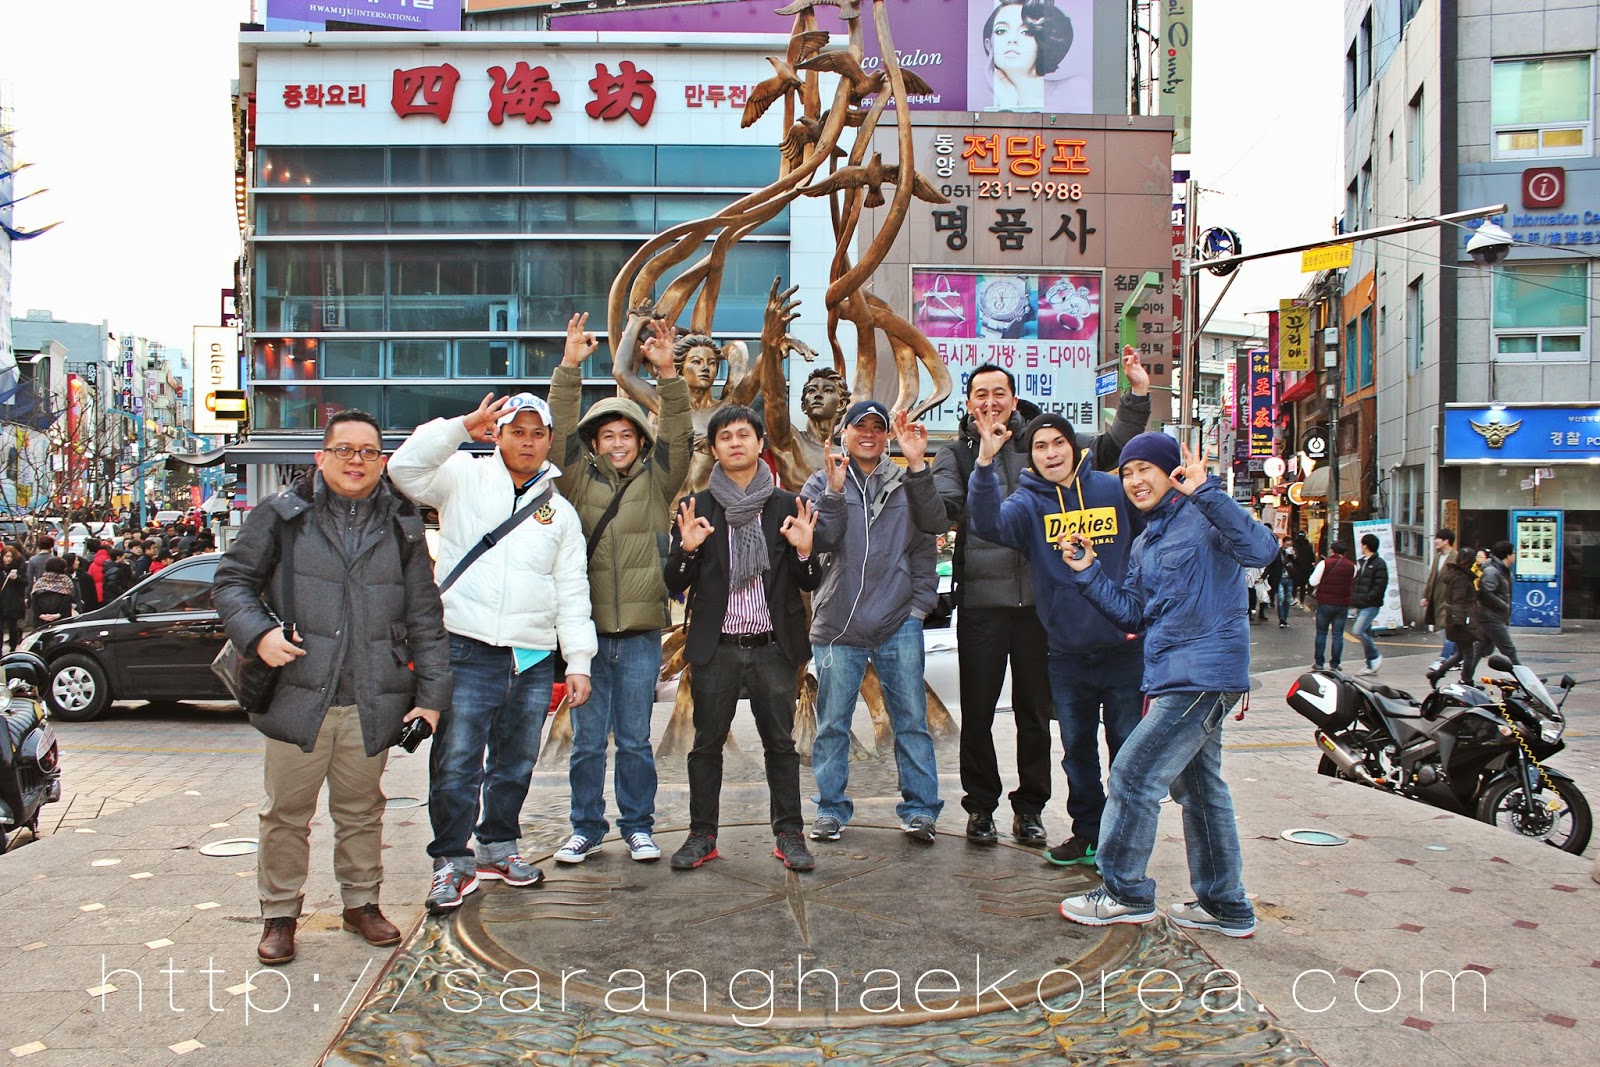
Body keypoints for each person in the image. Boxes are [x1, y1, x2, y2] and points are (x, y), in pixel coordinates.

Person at [213, 409, 451, 967]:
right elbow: (232, 583)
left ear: (382, 462)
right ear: (322, 457)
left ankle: (361, 904)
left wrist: (432, 698)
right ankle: (279, 913)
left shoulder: (404, 524)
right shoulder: (281, 516)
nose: (356, 461)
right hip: (298, 692)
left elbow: (424, 615)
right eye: (344, 450)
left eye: (368, 451)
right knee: (286, 813)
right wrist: (259, 634)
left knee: (363, 810)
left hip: (372, 696)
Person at [1057, 433, 1278, 937]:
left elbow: (1261, 550)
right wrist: (1088, 571)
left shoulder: (1206, 516)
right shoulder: (1145, 540)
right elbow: (1133, 613)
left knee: (1133, 775)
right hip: (1173, 675)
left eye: (1145, 470)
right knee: (1199, 790)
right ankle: (1226, 904)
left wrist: (1208, 492)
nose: (1135, 481)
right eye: (1127, 473)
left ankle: (1124, 892)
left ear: (1170, 471)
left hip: (1202, 676)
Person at [388, 390, 597, 914]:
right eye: (516, 431)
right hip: (464, 644)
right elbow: (403, 469)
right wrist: (461, 425)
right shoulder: (461, 474)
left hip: (529, 656)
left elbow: (572, 590)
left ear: (550, 440)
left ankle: (498, 847)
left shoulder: (560, 511)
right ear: (498, 435)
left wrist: (577, 661)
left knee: (516, 762)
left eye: (537, 433)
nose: (527, 442)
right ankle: (450, 863)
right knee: (457, 762)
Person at [931, 350, 1149, 847]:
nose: (991, 402)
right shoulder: (958, 452)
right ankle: (980, 807)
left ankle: (1030, 809)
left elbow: (1113, 447)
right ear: (968, 402)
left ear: (1013, 398)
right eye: (980, 394)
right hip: (984, 606)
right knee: (979, 714)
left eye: (999, 394)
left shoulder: (1041, 441)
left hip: (1041, 609)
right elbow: (946, 506)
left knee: (1036, 714)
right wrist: (926, 494)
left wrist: (1136, 397)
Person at [547, 311, 693, 865]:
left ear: (638, 439)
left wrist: (668, 376)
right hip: (585, 636)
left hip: (637, 634)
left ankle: (637, 825)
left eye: (625, 434)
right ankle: (586, 827)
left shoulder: (659, 482)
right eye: (606, 435)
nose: (616, 443)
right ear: (595, 441)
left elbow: (678, 437)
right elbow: (559, 433)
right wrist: (568, 370)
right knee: (587, 742)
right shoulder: (575, 479)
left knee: (633, 740)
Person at [664, 405, 823, 872]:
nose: (735, 442)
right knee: (705, 745)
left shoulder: (786, 505)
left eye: (744, 435)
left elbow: (808, 580)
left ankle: (789, 833)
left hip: (773, 647)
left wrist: (806, 551)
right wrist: (688, 551)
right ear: (714, 449)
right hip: (717, 648)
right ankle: (701, 835)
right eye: (726, 437)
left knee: (781, 745)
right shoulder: (697, 507)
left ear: (760, 444)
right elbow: (673, 579)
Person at [802, 400, 946, 844]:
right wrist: (834, 491)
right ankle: (830, 809)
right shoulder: (820, 481)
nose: (868, 433)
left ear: (887, 437)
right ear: (843, 433)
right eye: (858, 426)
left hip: (898, 621)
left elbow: (933, 533)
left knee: (911, 721)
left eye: (877, 428)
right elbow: (818, 542)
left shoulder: (906, 481)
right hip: (837, 624)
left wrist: (919, 607)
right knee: (832, 724)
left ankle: (920, 809)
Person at [978, 0, 1087, 113]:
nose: (1012, 39)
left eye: (1026, 32)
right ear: (989, 45)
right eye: (1001, 31)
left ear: (1041, 43)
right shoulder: (1002, 99)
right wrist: (1008, 101)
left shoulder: (1076, 89)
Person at [1426, 548, 1484, 686]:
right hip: (1461, 622)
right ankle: (1466, 681)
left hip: (1457, 621)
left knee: (1461, 654)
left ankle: (1437, 674)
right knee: (1469, 653)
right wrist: (1459, 622)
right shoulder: (1461, 579)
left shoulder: (1457, 576)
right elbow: (1458, 601)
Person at [1472, 540, 1520, 668]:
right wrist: (1503, 605)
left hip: (1493, 615)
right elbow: (1486, 593)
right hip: (1491, 616)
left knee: (1480, 649)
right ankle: (1524, 679)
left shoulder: (1503, 570)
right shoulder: (1492, 571)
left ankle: (1464, 678)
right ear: (1508, 555)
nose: (1515, 556)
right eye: (1514, 553)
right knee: (1509, 650)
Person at [1309, 541, 1355, 671]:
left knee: (1321, 633)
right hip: (1342, 604)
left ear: (1332, 550)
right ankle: (1335, 664)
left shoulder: (1324, 564)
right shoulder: (1352, 566)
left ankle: (1319, 663)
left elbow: (1313, 581)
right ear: (1345, 552)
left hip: (1325, 603)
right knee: (1338, 635)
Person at [1349, 533, 1389, 675]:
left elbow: (1380, 585)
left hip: (1371, 604)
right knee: (1366, 633)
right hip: (1361, 604)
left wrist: (1368, 597)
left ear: (1366, 546)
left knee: (1357, 631)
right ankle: (1370, 664)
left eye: (1362, 544)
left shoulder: (1379, 564)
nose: (1360, 546)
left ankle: (1375, 656)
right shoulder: (1362, 562)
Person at [1419, 528, 1456, 668]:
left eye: (1439, 538)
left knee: (1448, 630)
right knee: (1447, 630)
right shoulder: (1437, 557)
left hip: (1450, 600)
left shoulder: (1455, 557)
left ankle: (1444, 658)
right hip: (1438, 599)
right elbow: (1431, 579)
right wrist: (1426, 596)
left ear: (1446, 541)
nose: (1436, 541)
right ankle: (1456, 658)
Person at [30, 557, 75, 626]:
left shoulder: (40, 582)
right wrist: (58, 615)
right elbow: (68, 599)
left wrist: (40, 615)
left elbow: (34, 600)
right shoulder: (66, 581)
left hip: (41, 621)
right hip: (61, 620)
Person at [0, 548, 26, 652]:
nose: (8, 559)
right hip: (1, 601)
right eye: (6, 556)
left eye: (11, 557)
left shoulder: (18, 569)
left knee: (12, 627)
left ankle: (13, 647)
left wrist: (17, 578)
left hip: (12, 602)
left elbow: (25, 582)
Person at [1290, 532, 1316, 602]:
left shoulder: (1294, 546)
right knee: (1303, 586)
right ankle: (1302, 601)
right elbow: (1312, 558)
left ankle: (1293, 597)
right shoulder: (1308, 546)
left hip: (1295, 568)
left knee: (1294, 584)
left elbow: (1291, 557)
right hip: (1305, 569)